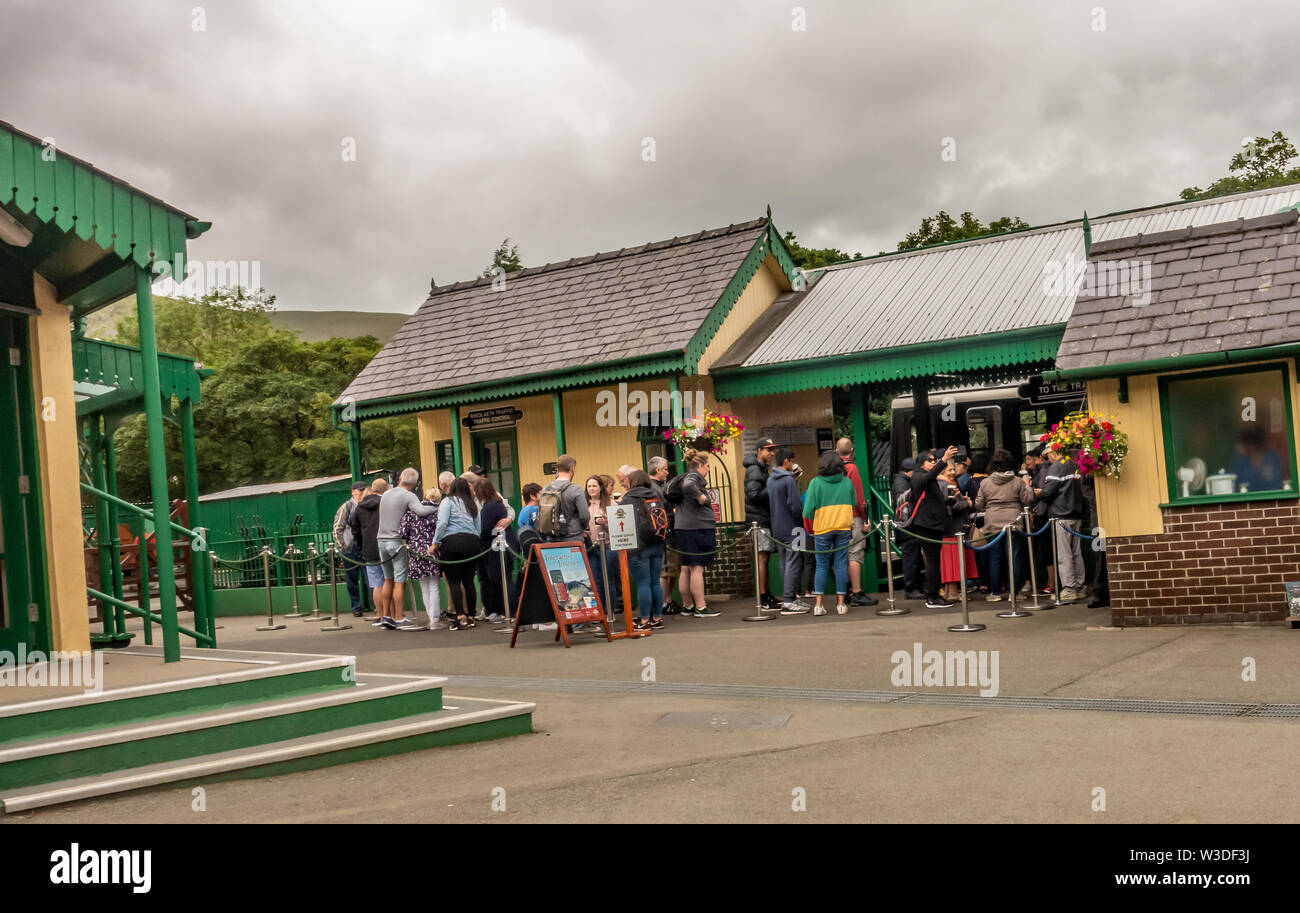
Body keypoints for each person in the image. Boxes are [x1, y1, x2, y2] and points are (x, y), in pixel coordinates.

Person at [375, 468, 438, 630]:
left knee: (387, 579)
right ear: (415, 483)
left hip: (381, 539)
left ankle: (385, 616)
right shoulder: (409, 496)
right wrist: (437, 507)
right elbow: (421, 511)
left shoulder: (387, 493)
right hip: (396, 541)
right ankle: (398, 617)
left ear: (400, 478)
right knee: (399, 580)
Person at [974, 449, 1035, 601]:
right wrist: (1028, 486)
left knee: (994, 558)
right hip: (1013, 522)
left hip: (992, 522)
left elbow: (978, 505)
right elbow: (1027, 500)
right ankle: (1014, 593)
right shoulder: (1018, 481)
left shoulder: (985, 482)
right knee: (1014, 557)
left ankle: (995, 593)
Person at [800, 451, 856, 616]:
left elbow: (808, 510)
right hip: (843, 527)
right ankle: (840, 604)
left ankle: (818, 605)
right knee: (840, 564)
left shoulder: (815, 483)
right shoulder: (847, 482)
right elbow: (853, 503)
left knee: (822, 565)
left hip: (822, 528)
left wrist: (813, 524)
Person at [907, 446, 960, 609]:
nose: (933, 462)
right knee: (932, 561)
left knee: (934, 561)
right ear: (921, 463)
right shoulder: (918, 477)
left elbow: (931, 502)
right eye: (929, 460)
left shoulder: (930, 480)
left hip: (934, 524)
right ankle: (932, 596)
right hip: (926, 525)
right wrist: (943, 460)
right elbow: (927, 478)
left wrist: (949, 501)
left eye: (934, 460)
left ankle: (934, 595)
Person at [431, 477, 481, 630]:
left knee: (454, 582)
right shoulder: (472, 504)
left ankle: (460, 616)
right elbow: (478, 527)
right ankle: (471, 615)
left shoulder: (447, 501)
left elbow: (443, 524)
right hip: (472, 542)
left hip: (452, 542)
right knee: (469, 581)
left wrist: (435, 542)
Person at [621, 469, 667, 630]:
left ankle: (644, 621)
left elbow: (625, 522)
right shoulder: (656, 493)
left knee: (643, 583)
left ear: (632, 482)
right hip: (657, 544)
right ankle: (657, 618)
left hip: (638, 547)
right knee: (655, 582)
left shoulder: (629, 498)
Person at [675, 449, 719, 618]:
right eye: (707, 466)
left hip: (683, 527)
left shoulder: (684, 476)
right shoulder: (693, 478)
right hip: (696, 528)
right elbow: (689, 486)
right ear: (700, 465)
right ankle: (701, 607)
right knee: (697, 568)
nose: (708, 469)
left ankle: (687, 606)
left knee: (686, 568)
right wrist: (701, 496)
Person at [1040, 447, 1087, 602]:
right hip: (1077, 513)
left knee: (1064, 554)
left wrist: (1037, 491)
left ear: (1054, 453)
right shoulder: (1075, 464)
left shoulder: (1057, 467)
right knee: (1076, 553)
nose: (1049, 460)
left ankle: (1069, 588)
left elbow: (1048, 492)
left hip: (1061, 514)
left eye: (1049, 457)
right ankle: (1080, 587)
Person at [836, 437, 879, 607]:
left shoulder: (830, 469)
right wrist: (865, 517)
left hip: (834, 516)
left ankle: (843, 592)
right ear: (852, 451)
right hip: (852, 516)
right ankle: (857, 591)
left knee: (841, 555)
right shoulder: (851, 468)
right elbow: (859, 497)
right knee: (855, 553)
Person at [767, 447, 809, 614]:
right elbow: (794, 505)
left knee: (785, 562)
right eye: (791, 460)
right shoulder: (788, 480)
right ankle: (790, 600)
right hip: (793, 527)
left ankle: (789, 596)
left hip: (777, 526)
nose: (793, 464)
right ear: (786, 461)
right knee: (794, 562)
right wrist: (801, 519)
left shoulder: (771, 479)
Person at [475, 476, 519, 623]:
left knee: (503, 581)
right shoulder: (498, 503)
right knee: (504, 580)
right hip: (503, 546)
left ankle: (510, 611)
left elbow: (485, 529)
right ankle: (506, 611)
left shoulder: (490, 506)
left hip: (498, 549)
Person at [743, 437, 780, 611]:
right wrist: (772, 486)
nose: (772, 453)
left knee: (765, 558)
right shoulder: (755, 470)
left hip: (762, 519)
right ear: (759, 451)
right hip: (758, 520)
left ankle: (767, 594)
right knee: (762, 559)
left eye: (772, 450)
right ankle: (763, 597)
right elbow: (753, 495)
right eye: (768, 449)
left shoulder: (761, 469)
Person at [399, 486, 442, 628]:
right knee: (434, 585)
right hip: (433, 550)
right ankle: (435, 618)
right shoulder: (439, 512)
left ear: (424, 497)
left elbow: (403, 533)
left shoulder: (411, 513)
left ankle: (431, 616)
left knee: (424, 587)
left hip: (416, 551)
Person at [348, 478, 389, 624]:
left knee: (376, 584)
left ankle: (380, 614)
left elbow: (355, 530)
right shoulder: (384, 504)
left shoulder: (358, 508)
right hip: (385, 545)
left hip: (369, 549)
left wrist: (361, 544)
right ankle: (390, 615)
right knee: (388, 581)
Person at [583, 475, 621, 616]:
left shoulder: (611, 504)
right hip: (590, 547)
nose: (592, 488)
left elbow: (619, 527)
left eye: (594, 486)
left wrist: (607, 523)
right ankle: (598, 612)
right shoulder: (583, 504)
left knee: (608, 580)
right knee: (595, 580)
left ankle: (610, 611)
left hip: (608, 546)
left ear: (600, 488)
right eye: (589, 486)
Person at [938, 463, 973, 602]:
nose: (953, 472)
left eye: (953, 469)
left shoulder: (943, 484)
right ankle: (952, 593)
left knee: (949, 563)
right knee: (953, 562)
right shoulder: (946, 485)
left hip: (948, 529)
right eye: (949, 470)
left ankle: (949, 591)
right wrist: (967, 504)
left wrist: (961, 499)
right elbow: (950, 508)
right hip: (952, 528)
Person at [332, 481, 368, 617]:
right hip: (351, 549)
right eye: (360, 490)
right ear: (353, 491)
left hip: (365, 547)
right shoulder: (346, 506)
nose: (362, 492)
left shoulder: (366, 505)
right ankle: (356, 607)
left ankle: (376, 607)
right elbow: (337, 528)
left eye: (364, 490)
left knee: (370, 578)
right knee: (352, 581)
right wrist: (343, 546)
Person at [538, 455, 589, 543]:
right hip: (572, 539)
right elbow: (584, 516)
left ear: (557, 469)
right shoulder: (575, 489)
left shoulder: (546, 488)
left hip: (551, 539)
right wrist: (583, 527)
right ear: (572, 468)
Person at [891, 457, 922, 598]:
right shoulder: (902, 483)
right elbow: (904, 504)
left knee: (913, 558)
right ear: (911, 471)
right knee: (910, 558)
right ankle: (910, 588)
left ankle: (915, 586)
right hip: (907, 527)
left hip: (906, 526)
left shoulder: (901, 481)